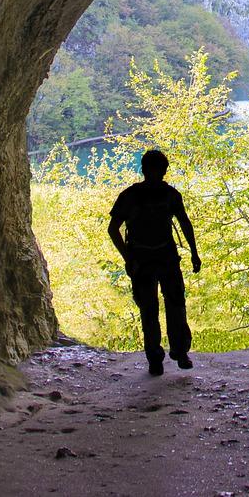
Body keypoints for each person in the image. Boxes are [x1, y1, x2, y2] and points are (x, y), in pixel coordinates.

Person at [108, 149, 201, 375]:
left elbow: (113, 229)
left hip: (144, 259)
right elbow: (184, 223)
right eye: (161, 169)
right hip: (164, 257)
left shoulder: (130, 196)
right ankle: (178, 352)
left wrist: (128, 257)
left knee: (151, 309)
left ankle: (156, 359)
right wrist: (194, 252)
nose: (161, 173)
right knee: (174, 305)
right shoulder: (169, 195)